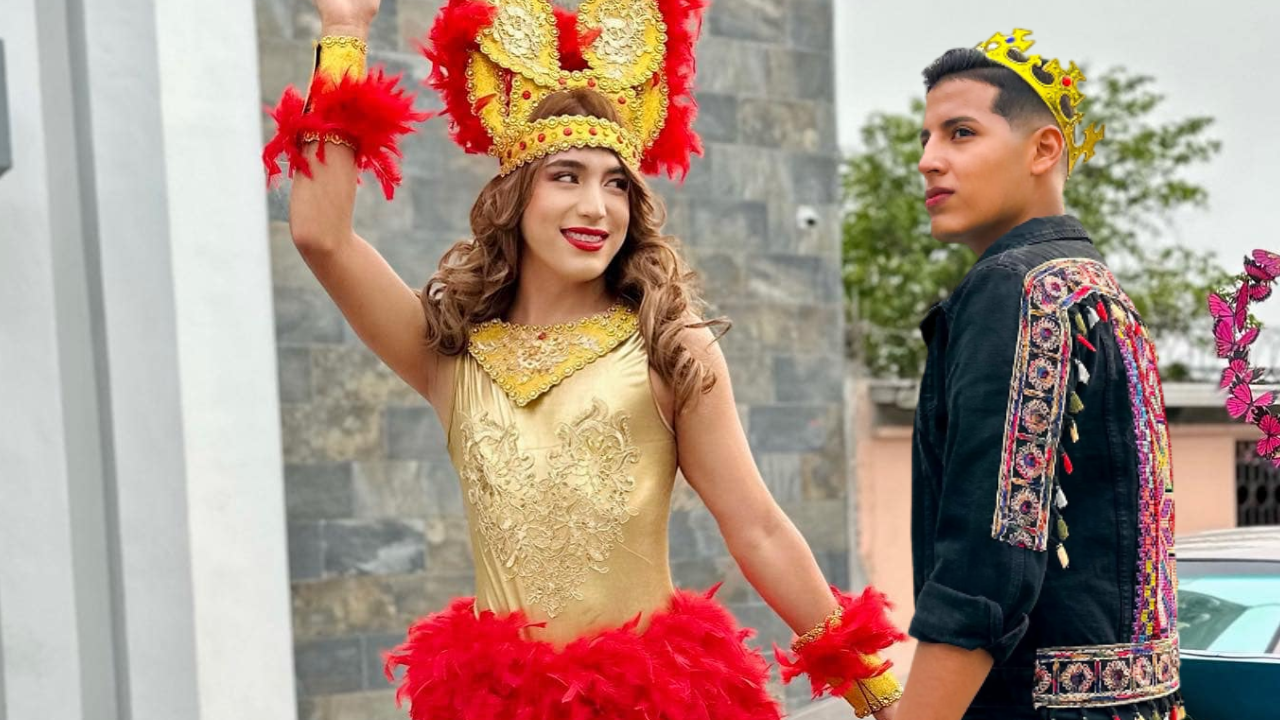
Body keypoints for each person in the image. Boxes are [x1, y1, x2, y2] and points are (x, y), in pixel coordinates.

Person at [262, 0, 904, 717]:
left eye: (616, 182)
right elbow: (321, 236)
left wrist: (877, 692)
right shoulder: (449, 351)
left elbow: (757, 526)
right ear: (515, 195)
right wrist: (345, 30)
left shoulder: (669, 345)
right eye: (566, 176)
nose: (597, 206)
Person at [892, 29, 1184, 720]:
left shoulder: (1017, 290)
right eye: (926, 138)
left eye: (961, 133)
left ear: (1043, 149)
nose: (928, 160)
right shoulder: (1100, 292)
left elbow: (986, 561)